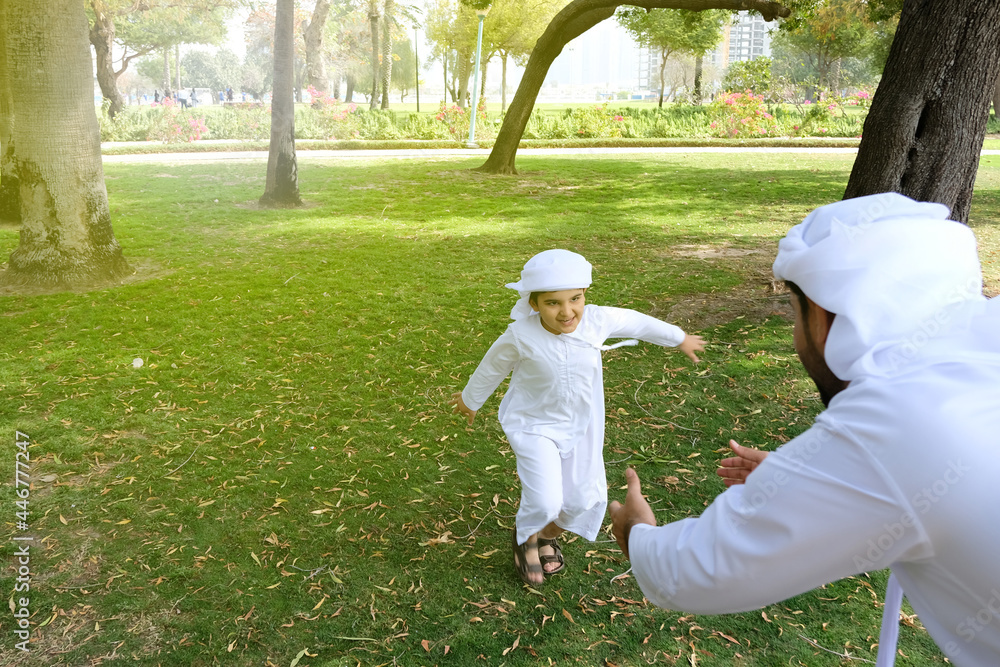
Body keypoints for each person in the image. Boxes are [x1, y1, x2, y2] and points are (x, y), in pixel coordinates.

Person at [610, 193, 1000, 666]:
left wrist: (635, 532)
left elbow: (692, 572)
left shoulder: (893, 420)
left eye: (795, 316)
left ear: (822, 317)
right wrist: (811, 480)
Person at [450, 249, 706, 585]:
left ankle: (544, 535)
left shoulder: (596, 321)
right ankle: (524, 537)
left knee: (583, 501)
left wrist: (679, 338)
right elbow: (492, 366)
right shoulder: (520, 336)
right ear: (534, 304)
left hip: (581, 427)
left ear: (585, 295)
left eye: (575, 299)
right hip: (534, 426)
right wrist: (471, 400)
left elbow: (637, 321)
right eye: (553, 303)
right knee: (544, 499)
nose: (567, 311)